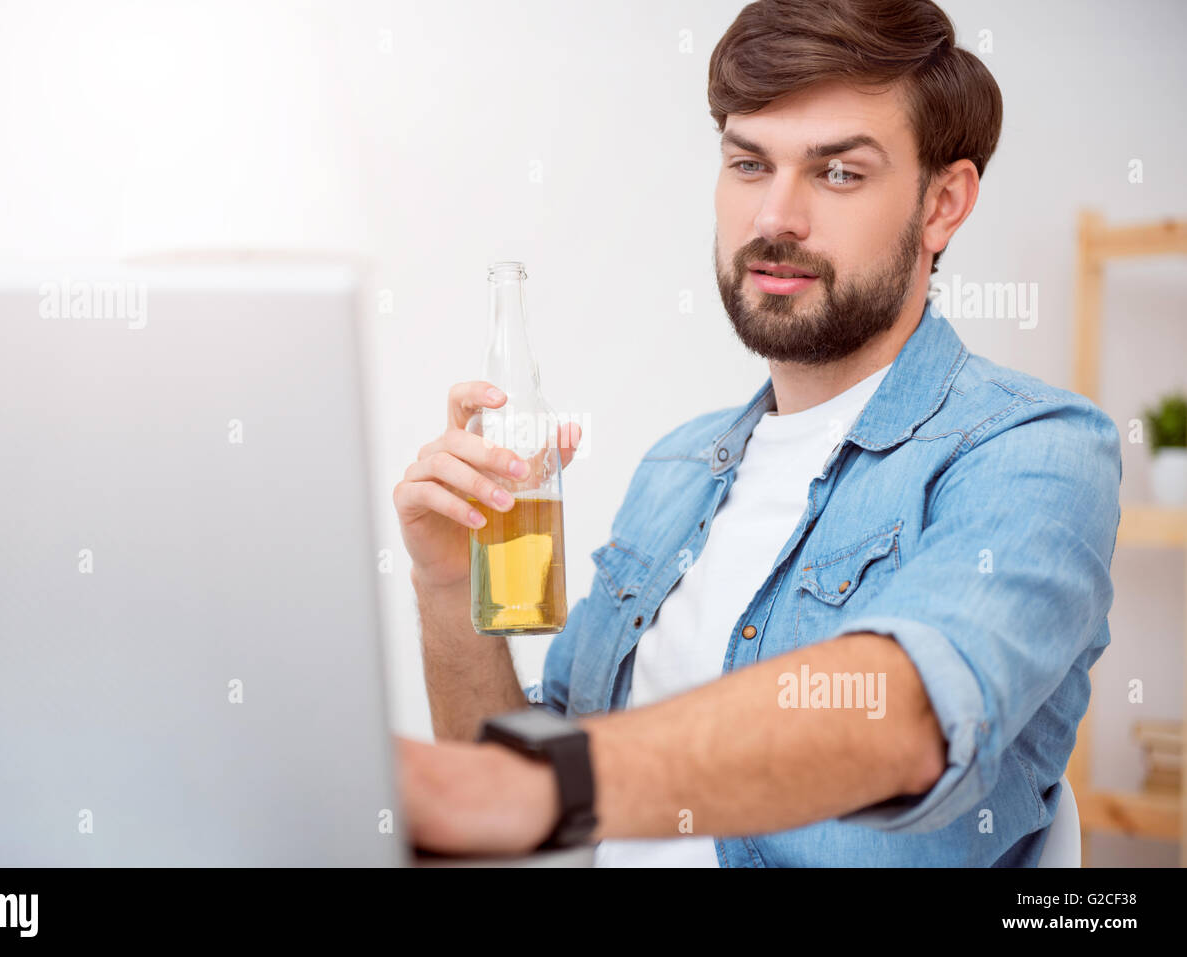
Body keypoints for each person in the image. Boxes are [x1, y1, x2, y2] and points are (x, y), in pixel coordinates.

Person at [391, 0, 1121, 866]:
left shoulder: (1034, 451)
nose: (775, 217)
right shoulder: (677, 468)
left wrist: (535, 786)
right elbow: (515, 793)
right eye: (748, 163)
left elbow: (906, 715)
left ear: (944, 204)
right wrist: (446, 589)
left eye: (839, 173)